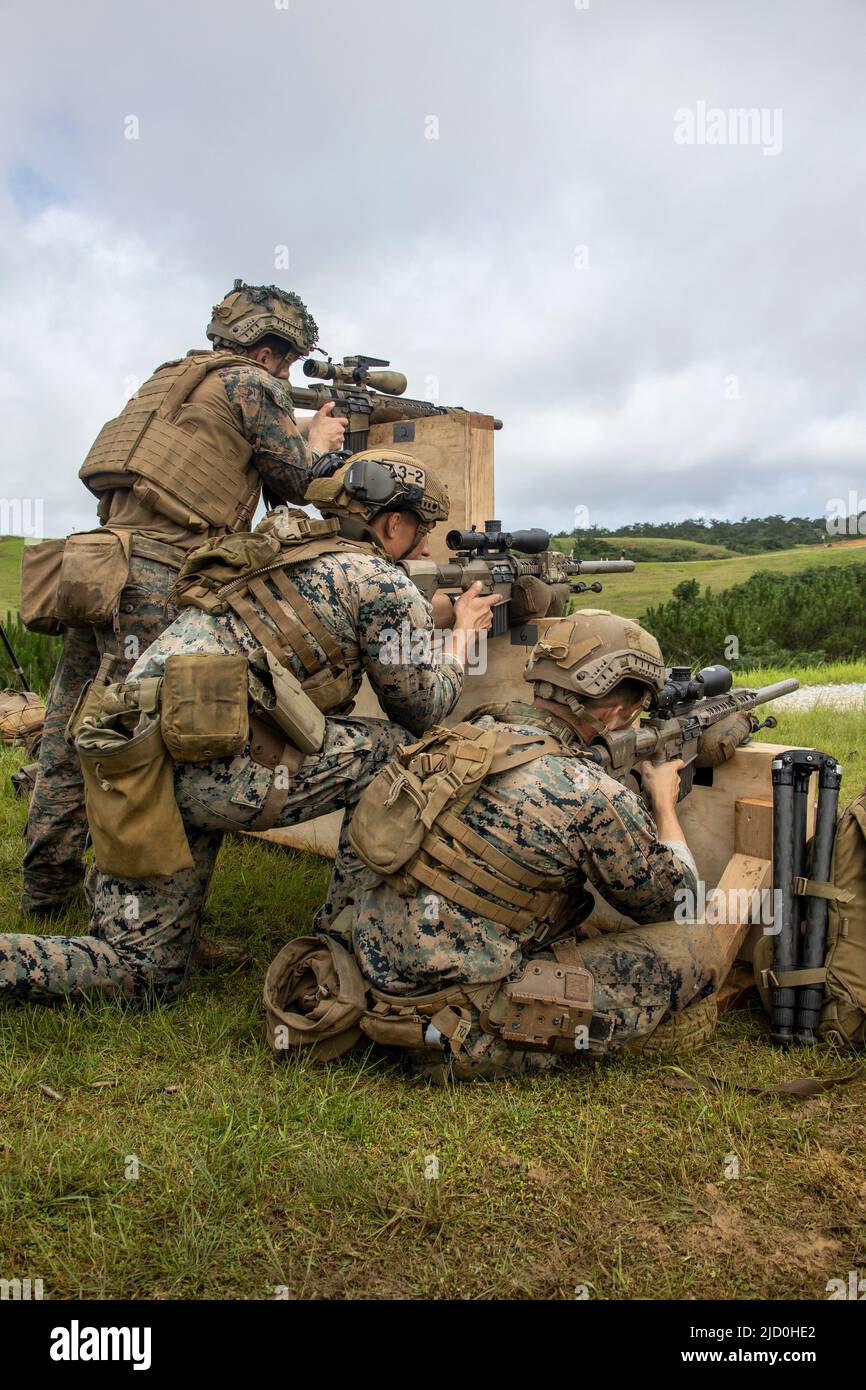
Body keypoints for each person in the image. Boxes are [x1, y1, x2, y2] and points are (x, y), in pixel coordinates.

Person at [0, 453, 499, 1005]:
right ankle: (341, 945)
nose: (426, 546)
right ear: (394, 523)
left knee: (141, 975)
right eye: (423, 530)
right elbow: (423, 707)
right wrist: (463, 640)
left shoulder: (281, 549)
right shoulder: (381, 582)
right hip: (209, 774)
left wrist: (431, 615)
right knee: (395, 752)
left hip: (135, 767)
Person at [22, 279, 346, 918]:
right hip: (157, 576)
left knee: (71, 728)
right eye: (285, 357)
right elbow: (298, 481)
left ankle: (45, 890)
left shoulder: (179, 379)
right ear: (271, 349)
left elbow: (212, 447)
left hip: (100, 562)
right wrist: (321, 441)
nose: (285, 370)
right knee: (141, 744)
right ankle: (131, 922)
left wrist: (291, 423)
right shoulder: (254, 386)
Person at [303, 610, 737, 1083]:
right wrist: (662, 803)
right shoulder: (591, 792)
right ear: (618, 712)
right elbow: (674, 901)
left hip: (359, 979)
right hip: (459, 1025)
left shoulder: (460, 739)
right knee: (697, 948)